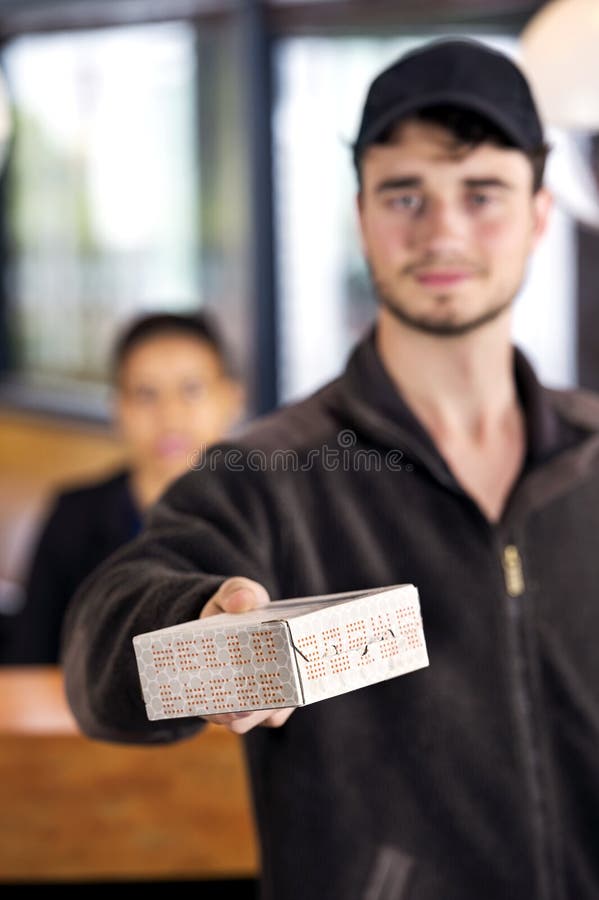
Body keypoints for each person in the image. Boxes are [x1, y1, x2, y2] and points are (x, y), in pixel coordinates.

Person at [61, 38, 599, 900]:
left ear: (539, 212)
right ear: (361, 216)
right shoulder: (268, 472)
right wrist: (199, 624)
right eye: (404, 194)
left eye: (482, 193)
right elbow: (100, 654)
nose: (442, 230)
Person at [3, 311, 243, 664]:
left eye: (191, 390)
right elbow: (32, 659)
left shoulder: (269, 515)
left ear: (231, 400)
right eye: (146, 394)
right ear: (118, 407)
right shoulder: (73, 517)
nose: (170, 416)